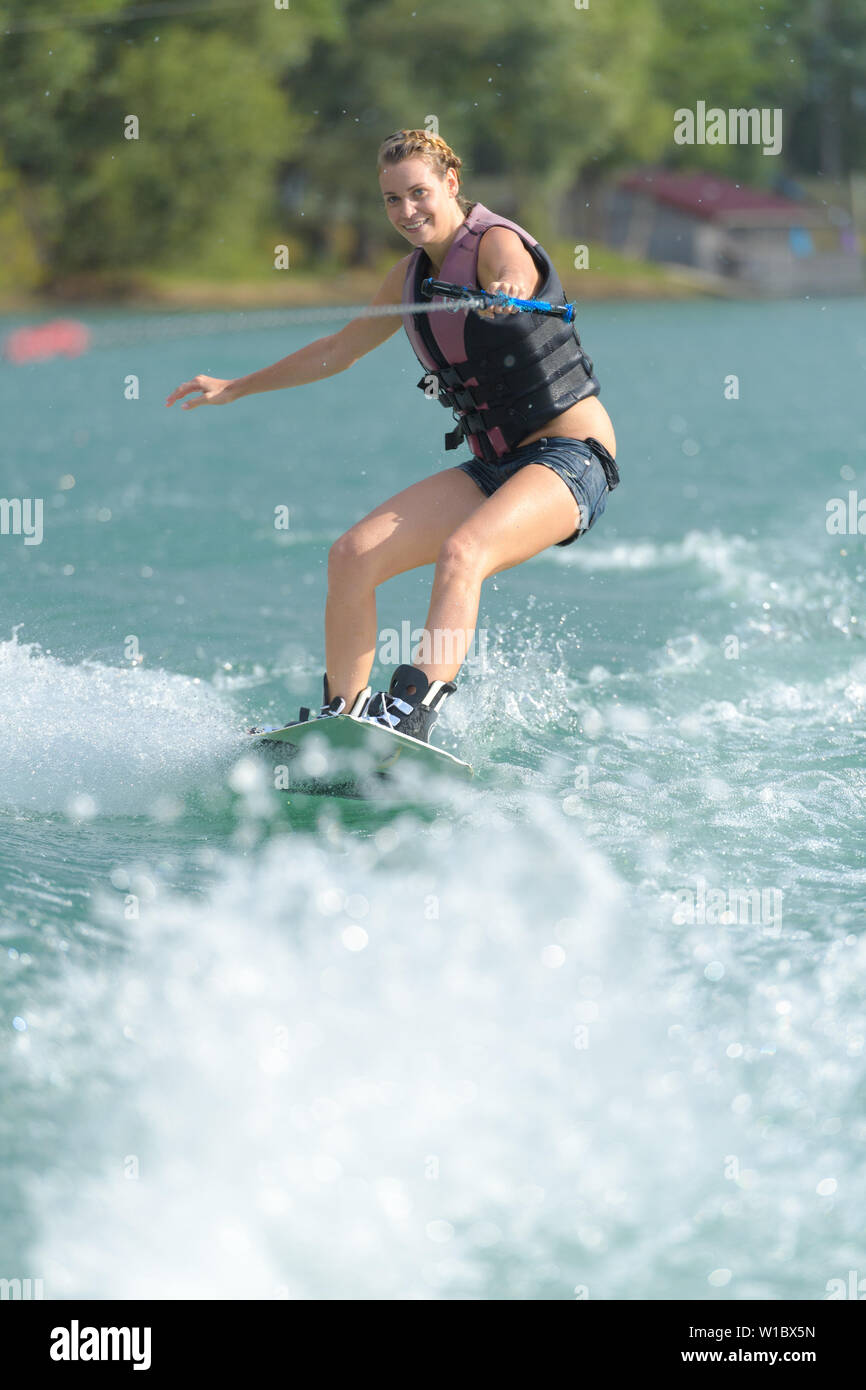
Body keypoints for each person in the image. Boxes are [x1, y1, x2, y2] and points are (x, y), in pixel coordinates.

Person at [166, 129, 619, 743]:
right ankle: (344, 717)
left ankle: (410, 713)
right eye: (392, 199)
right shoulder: (407, 279)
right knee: (352, 556)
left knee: (463, 552)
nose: (407, 211)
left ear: (451, 184)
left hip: (572, 459)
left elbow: (513, 268)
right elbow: (337, 350)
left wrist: (510, 289)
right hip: (496, 467)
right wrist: (237, 386)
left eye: (419, 193)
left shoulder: (495, 242)